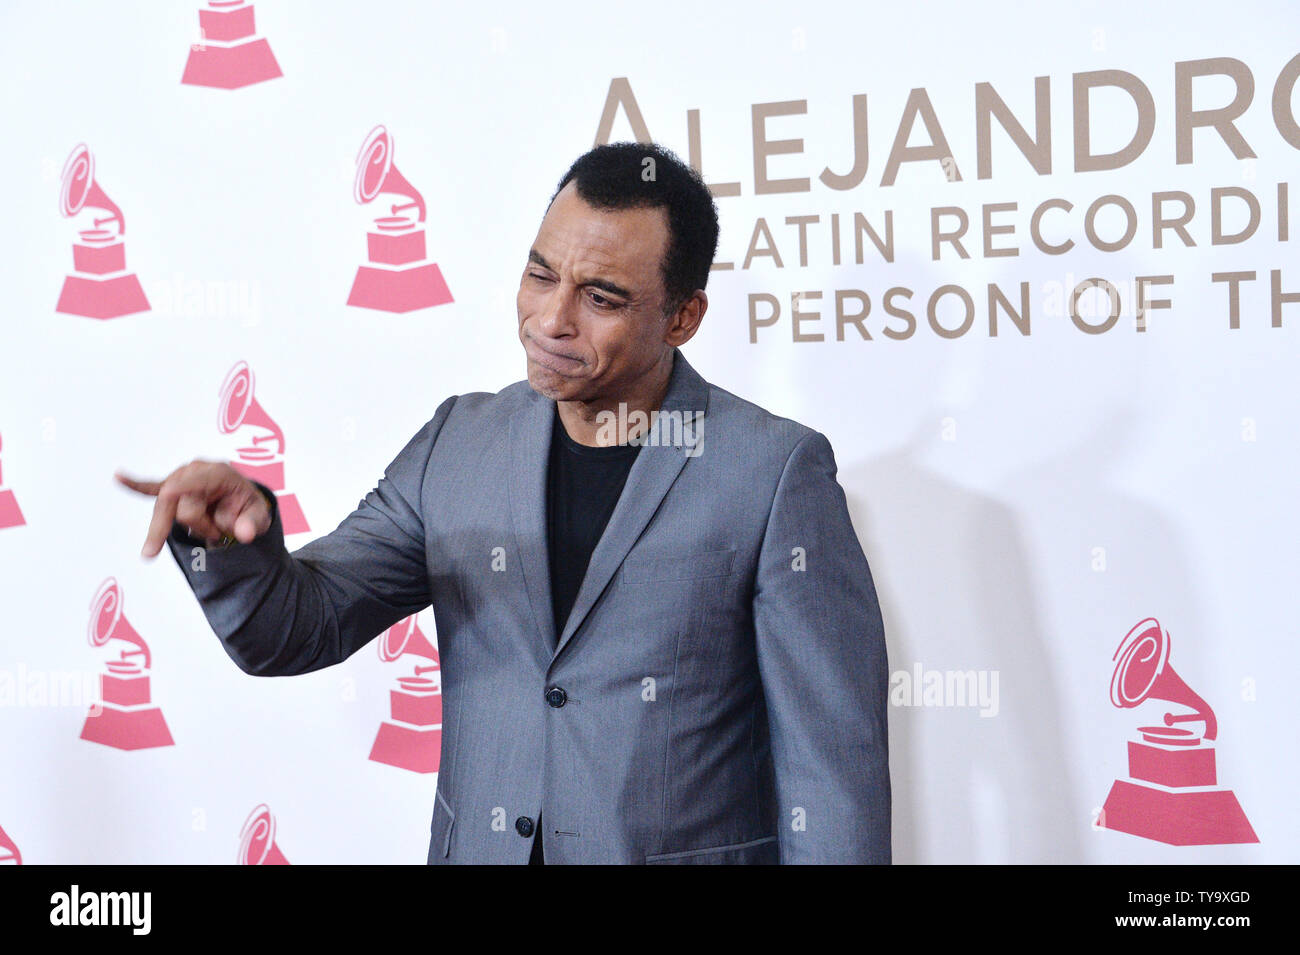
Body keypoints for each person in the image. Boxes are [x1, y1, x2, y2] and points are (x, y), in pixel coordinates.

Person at [117, 142, 891, 864]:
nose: (552, 320)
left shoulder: (773, 470)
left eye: (602, 297)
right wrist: (230, 541)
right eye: (541, 274)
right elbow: (294, 627)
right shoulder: (460, 443)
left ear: (683, 316)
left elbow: (833, 773)